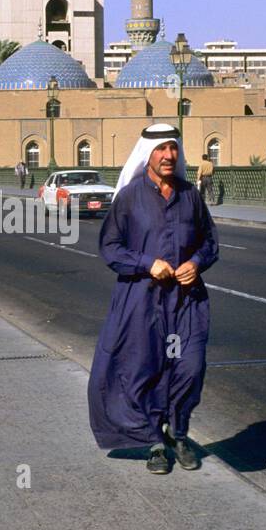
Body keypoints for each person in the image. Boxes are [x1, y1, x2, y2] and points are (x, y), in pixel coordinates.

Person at [88, 123, 218, 474]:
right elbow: (110, 248)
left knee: (188, 367)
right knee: (144, 369)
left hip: (187, 301)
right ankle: (155, 443)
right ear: (148, 154)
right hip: (141, 301)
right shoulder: (129, 197)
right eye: (161, 149)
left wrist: (196, 262)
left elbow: (209, 242)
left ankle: (178, 433)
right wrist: (147, 264)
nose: (168, 156)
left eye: (173, 149)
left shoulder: (190, 195)